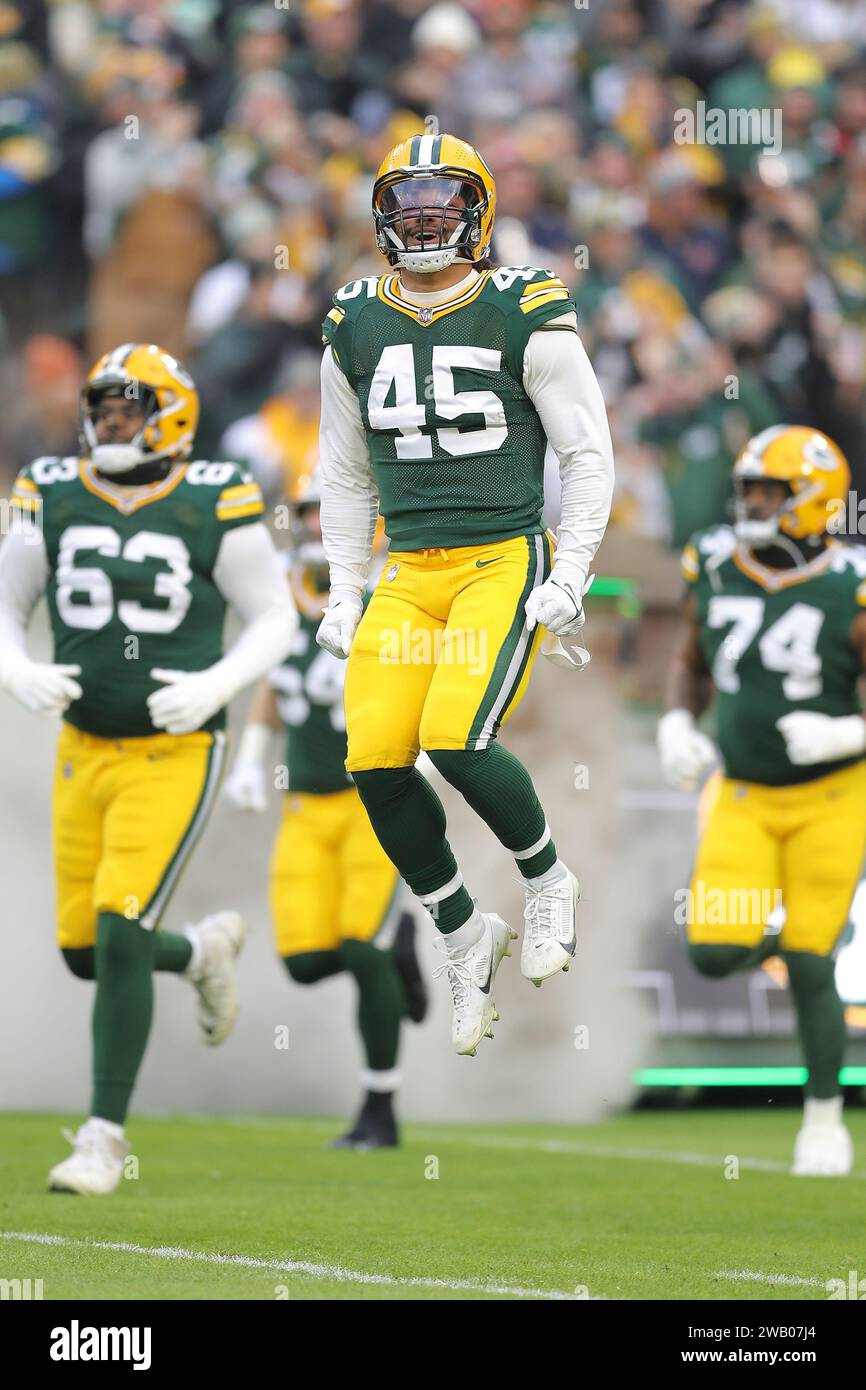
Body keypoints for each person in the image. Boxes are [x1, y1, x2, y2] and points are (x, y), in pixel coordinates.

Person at [315, 133, 614, 1055]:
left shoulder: (526, 306)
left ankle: (547, 878)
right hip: (408, 569)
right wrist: (343, 588)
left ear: (478, 210)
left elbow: (586, 452)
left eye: (441, 200)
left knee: (455, 736)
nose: (422, 216)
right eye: (405, 202)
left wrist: (572, 570)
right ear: (380, 217)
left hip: (499, 557)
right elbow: (343, 474)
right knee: (371, 756)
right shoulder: (355, 319)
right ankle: (458, 927)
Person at [0, 343, 297, 1193]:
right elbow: (7, 604)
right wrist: (16, 668)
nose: (109, 422)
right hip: (82, 747)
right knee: (84, 950)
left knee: (120, 928)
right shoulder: (51, 490)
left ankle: (102, 1139)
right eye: (102, 409)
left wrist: (215, 682)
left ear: (169, 412)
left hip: (174, 750)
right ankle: (201, 951)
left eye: (125, 407)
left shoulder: (214, 495)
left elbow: (273, 617)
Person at [657, 426, 866, 1176]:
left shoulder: (854, 582)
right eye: (749, 489)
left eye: (768, 493)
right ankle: (810, 949)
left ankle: (821, 1120)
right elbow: (691, 657)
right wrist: (679, 717)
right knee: (713, 950)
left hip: (835, 795)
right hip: (744, 791)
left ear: (813, 500)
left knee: (812, 963)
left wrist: (849, 732)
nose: (751, 504)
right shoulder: (715, 564)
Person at [224, 479, 428, 1148]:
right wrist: (254, 755)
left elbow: (424, 678)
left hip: (371, 800)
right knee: (306, 960)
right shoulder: (282, 589)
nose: (315, 525)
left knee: (356, 948)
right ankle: (397, 954)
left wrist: (420, 753)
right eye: (309, 512)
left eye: (327, 513)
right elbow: (275, 681)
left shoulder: (393, 590)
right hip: (304, 804)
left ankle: (380, 1107)